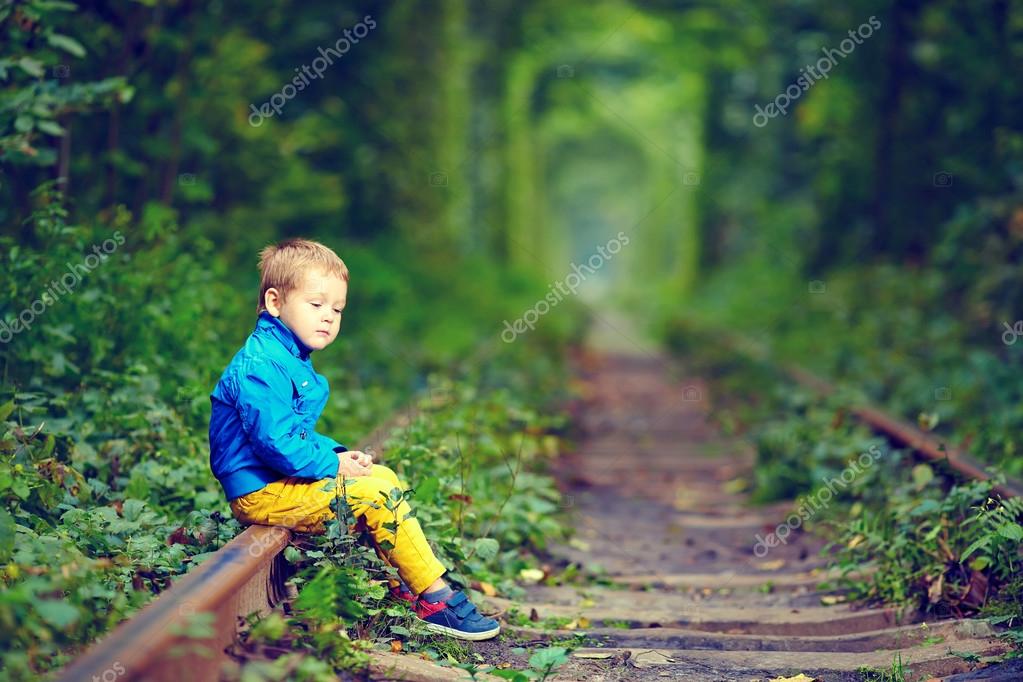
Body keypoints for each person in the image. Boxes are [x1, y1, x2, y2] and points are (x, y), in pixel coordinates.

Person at [208, 237, 500, 641]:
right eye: (316, 305)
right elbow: (276, 443)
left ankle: (411, 580)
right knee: (375, 497)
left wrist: (339, 454)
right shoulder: (260, 368)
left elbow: (294, 435)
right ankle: (435, 598)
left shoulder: (284, 356)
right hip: (261, 492)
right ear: (275, 303)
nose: (328, 317)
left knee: (382, 479)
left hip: (277, 481)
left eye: (337, 309)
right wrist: (332, 465)